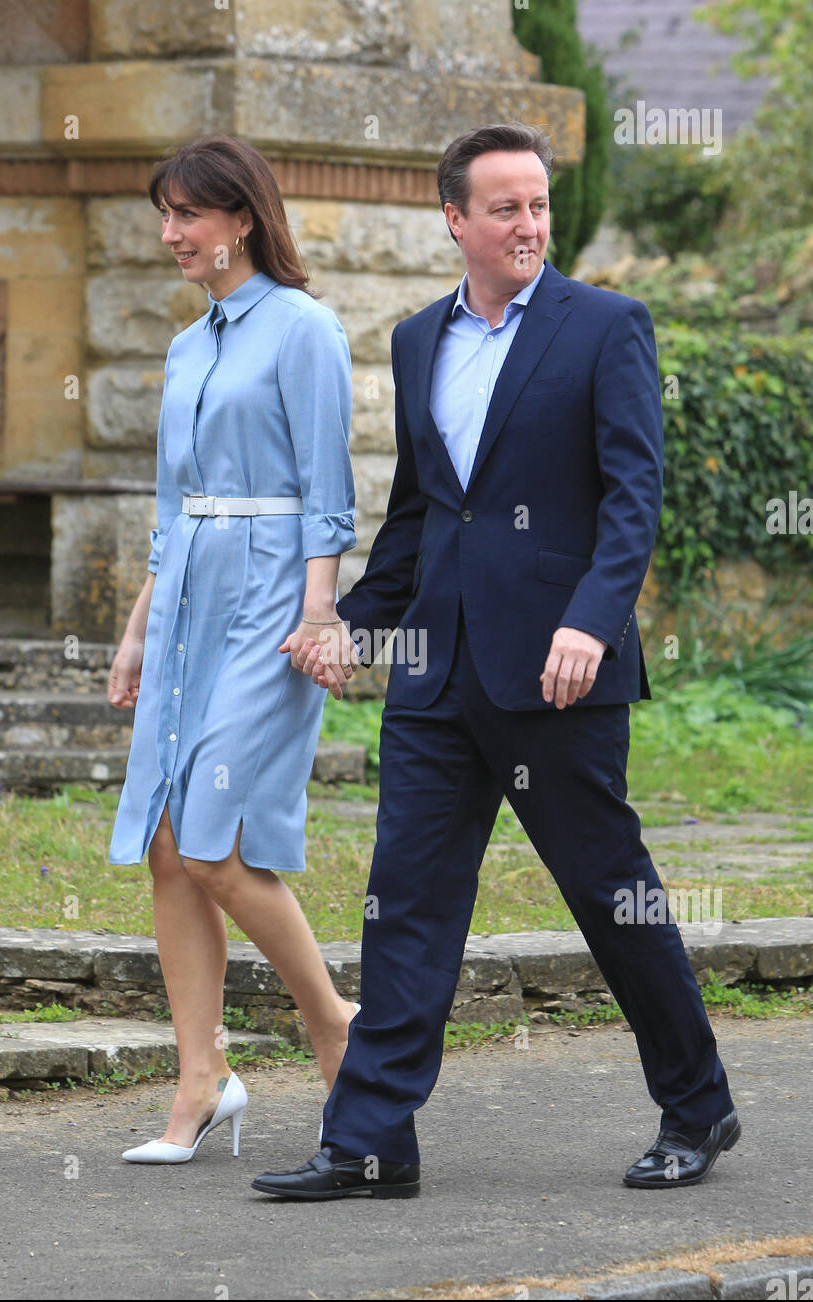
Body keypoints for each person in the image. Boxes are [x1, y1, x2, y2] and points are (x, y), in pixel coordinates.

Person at [251, 122, 740, 1201]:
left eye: (539, 206)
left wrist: (590, 620)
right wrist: (353, 625)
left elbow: (632, 495)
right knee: (407, 898)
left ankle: (698, 1105)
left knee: (612, 897)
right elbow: (422, 511)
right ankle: (371, 1141)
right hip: (436, 678)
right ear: (455, 221)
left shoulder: (606, 326)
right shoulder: (419, 338)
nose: (529, 225)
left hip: (558, 674)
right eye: (506, 208)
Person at [106, 135, 360, 1164]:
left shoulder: (303, 330)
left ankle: (336, 1023)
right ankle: (201, 1075)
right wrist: (133, 632)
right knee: (169, 840)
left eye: (187, 216)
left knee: (214, 838)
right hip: (186, 601)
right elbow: (171, 514)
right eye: (162, 216)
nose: (170, 235)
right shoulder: (187, 344)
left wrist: (320, 613)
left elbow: (326, 492)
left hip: (270, 597)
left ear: (241, 218)